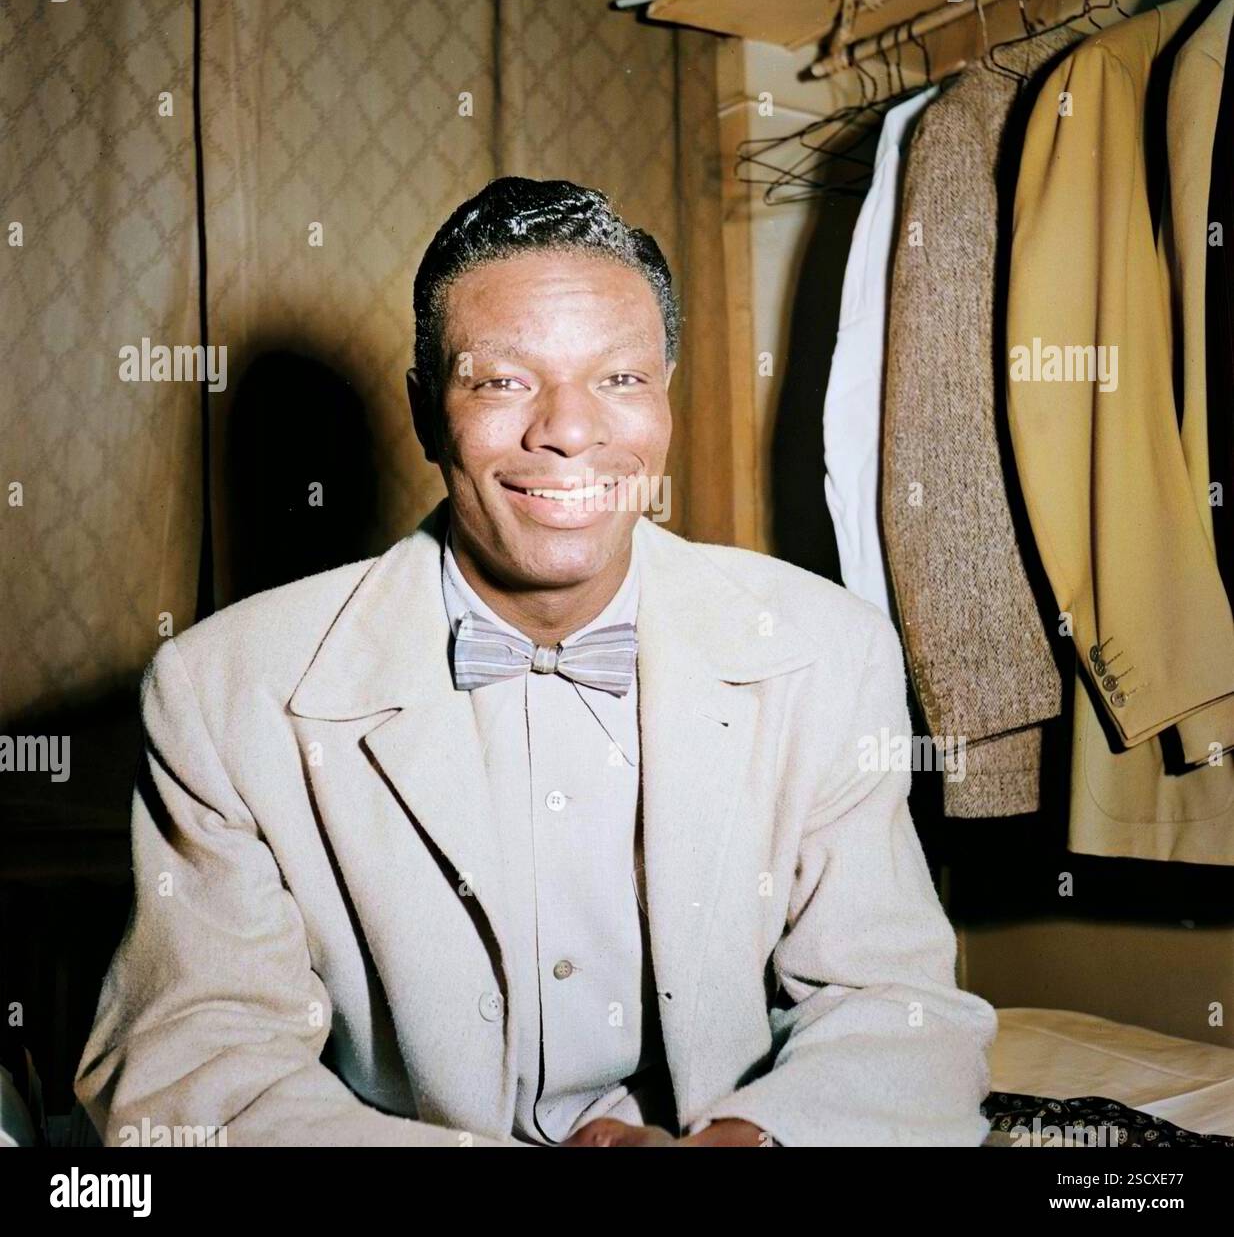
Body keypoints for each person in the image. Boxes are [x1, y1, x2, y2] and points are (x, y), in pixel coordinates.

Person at [74, 176, 998, 1147]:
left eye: (621, 379)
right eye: (503, 380)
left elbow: (897, 1006)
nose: (567, 429)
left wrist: (748, 1142)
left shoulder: (828, 650)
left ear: (667, 398)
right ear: (426, 412)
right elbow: (192, 1070)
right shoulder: (223, 692)